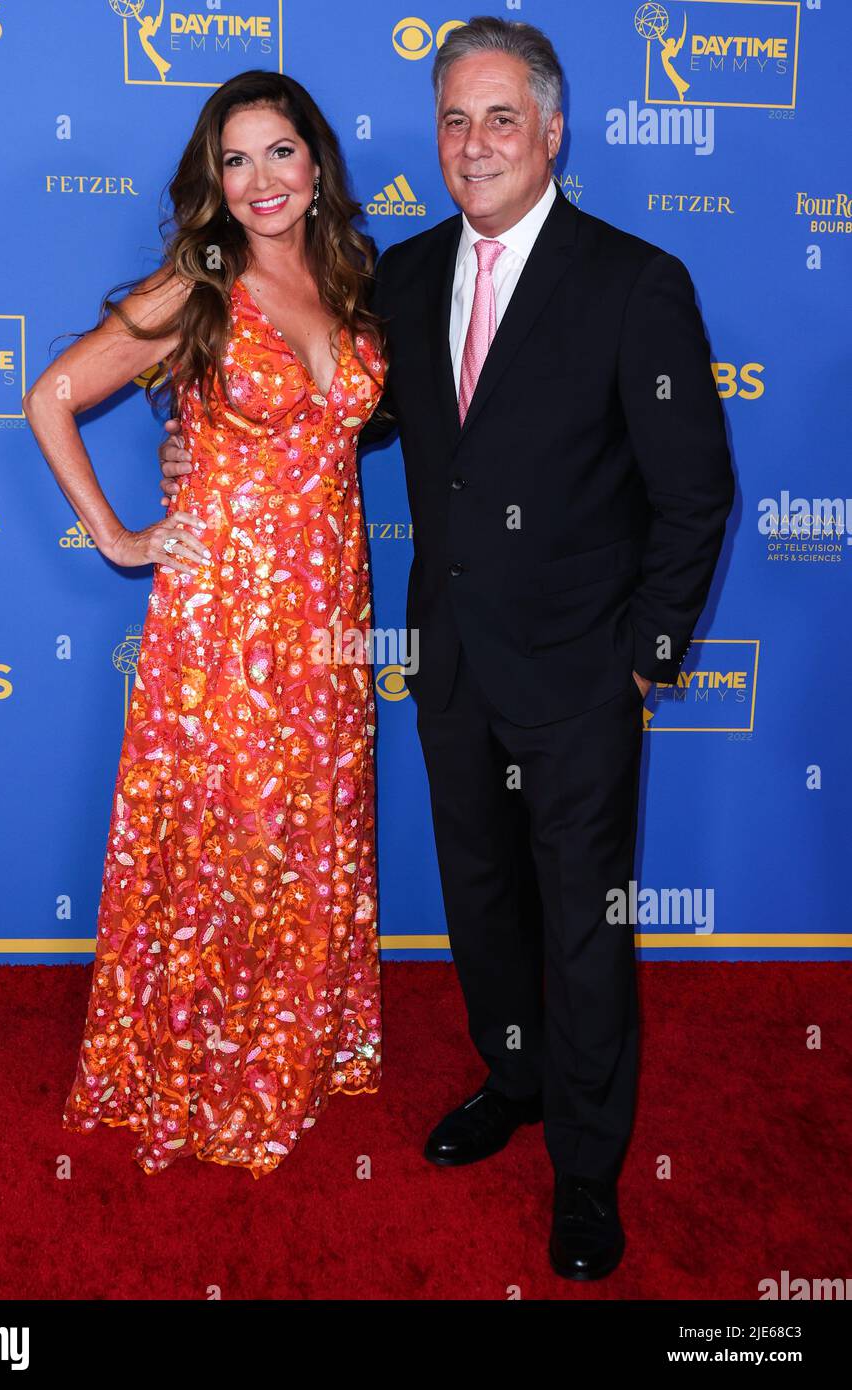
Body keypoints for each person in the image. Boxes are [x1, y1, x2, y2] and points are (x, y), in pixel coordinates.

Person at [160, 17, 734, 1275]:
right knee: (480, 899)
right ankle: (512, 1081)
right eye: (455, 122)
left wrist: (641, 656)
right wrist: (205, 450)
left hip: (581, 670)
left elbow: (694, 492)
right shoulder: (402, 278)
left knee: (580, 922)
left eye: (499, 120)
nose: (474, 145)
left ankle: (583, 1169)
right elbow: (320, 423)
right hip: (450, 663)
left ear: (551, 130)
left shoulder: (633, 281)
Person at [24, 70, 387, 1178]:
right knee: (234, 840)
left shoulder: (349, 280)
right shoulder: (201, 281)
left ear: (315, 166)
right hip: (223, 622)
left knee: (310, 842)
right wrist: (119, 535)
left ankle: (295, 1053)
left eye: (279, 152)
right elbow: (52, 395)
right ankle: (200, 1069)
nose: (260, 179)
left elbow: (330, 436)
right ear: (214, 182)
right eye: (235, 160)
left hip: (330, 615)